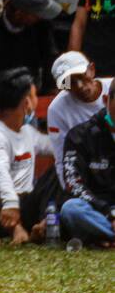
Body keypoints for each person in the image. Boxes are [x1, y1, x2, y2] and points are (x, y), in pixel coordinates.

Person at [0, 67, 55, 247]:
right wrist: (11, 209)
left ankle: (43, 224)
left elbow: (54, 147)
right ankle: (15, 230)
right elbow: (0, 172)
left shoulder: (27, 132)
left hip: (25, 205)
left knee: (59, 170)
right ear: (27, 103)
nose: (36, 101)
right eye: (34, 96)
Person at [47, 51, 110, 191]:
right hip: (89, 176)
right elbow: (61, 159)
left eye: (81, 76)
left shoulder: (112, 88)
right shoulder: (57, 109)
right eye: (70, 83)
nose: (80, 86)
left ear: (91, 70)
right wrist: (72, 192)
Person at [0, 0, 60, 95]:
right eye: (37, 15)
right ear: (19, 13)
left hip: (30, 86)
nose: (41, 18)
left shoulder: (42, 24)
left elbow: (51, 58)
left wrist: (55, 89)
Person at [59, 106, 115, 247]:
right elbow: (73, 184)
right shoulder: (79, 136)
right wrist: (109, 213)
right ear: (107, 101)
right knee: (71, 209)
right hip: (96, 209)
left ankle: (103, 238)